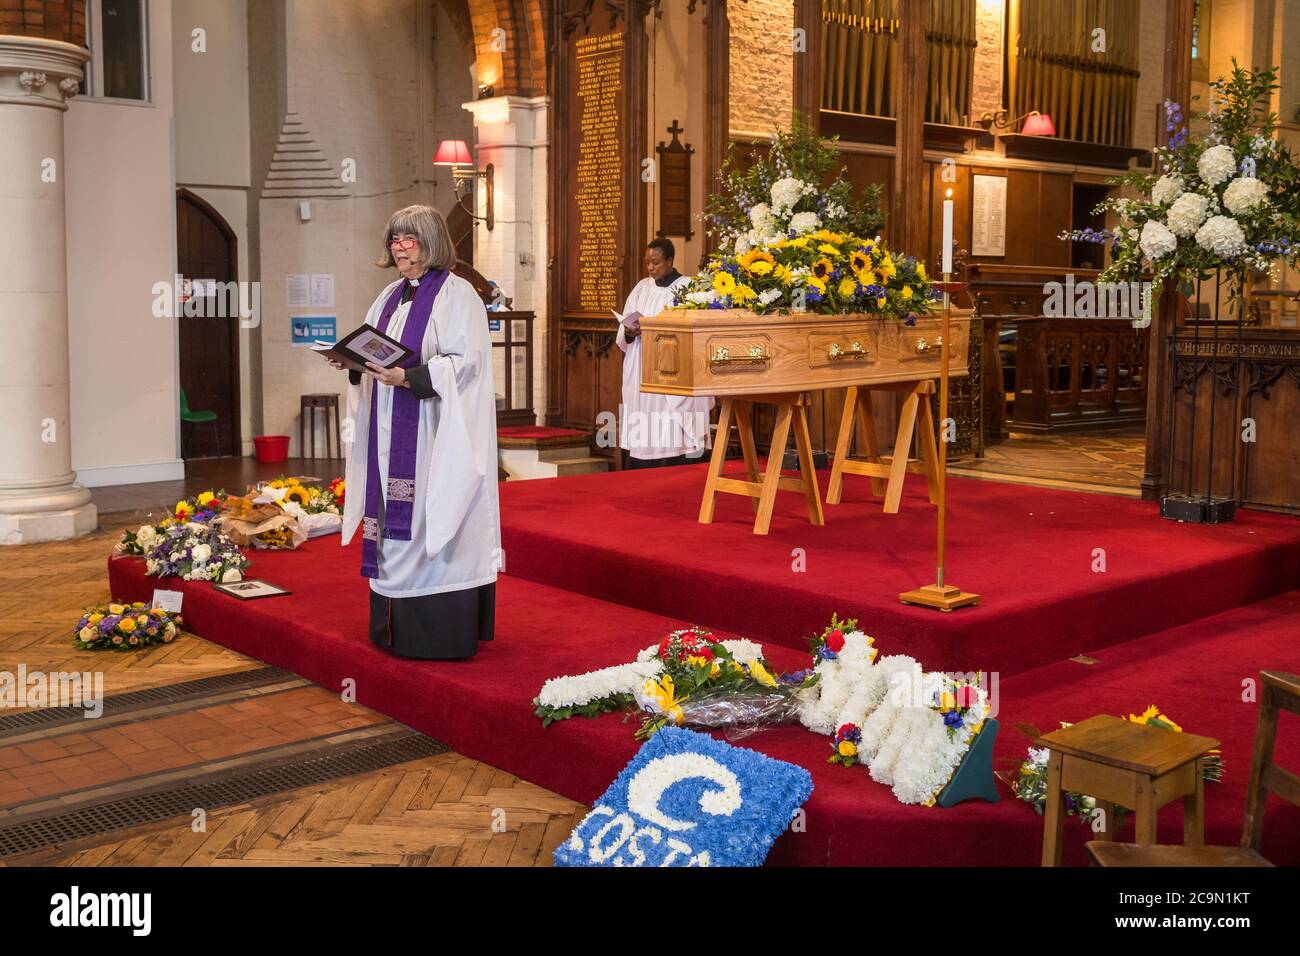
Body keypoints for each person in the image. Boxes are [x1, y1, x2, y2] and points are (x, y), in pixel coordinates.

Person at [324, 205, 500, 659]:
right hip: (388, 429)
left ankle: (434, 635)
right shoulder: (387, 297)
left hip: (433, 432)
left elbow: (467, 363)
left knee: (428, 516)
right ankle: (393, 628)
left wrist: (409, 378)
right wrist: (353, 363)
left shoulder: (458, 296)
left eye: (409, 238)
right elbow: (373, 351)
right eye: (394, 239)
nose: (399, 247)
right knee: (392, 514)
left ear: (432, 242)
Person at [615, 238, 712, 468]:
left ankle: (673, 461)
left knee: (670, 423)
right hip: (641, 364)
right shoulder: (641, 288)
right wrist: (629, 331)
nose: (650, 268)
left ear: (669, 261)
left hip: (671, 367)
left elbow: (696, 328)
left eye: (655, 262)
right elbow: (624, 329)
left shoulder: (688, 288)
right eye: (647, 262)